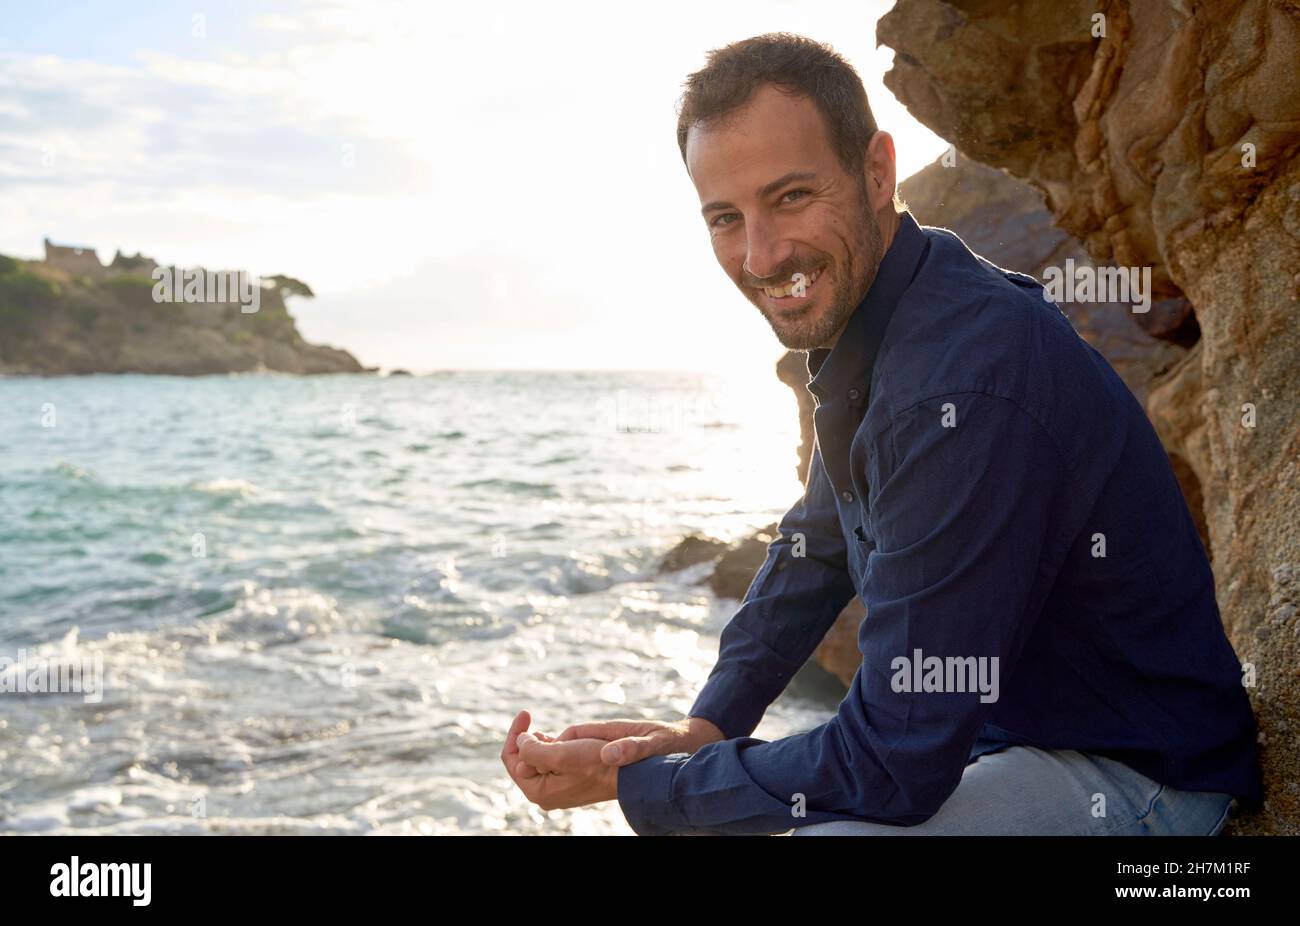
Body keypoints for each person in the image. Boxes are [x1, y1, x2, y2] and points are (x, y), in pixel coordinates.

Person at [502, 32, 1263, 835]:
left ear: (876, 173)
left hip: (1133, 774)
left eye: (791, 196)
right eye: (726, 217)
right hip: (1005, 742)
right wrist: (710, 723)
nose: (761, 254)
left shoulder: (963, 383)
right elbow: (818, 543)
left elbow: (893, 761)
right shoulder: (885, 320)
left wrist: (645, 789)